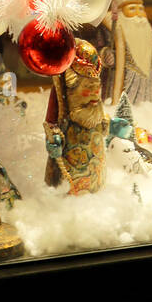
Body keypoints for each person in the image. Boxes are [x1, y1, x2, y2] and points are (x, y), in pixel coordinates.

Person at [43, 40, 108, 194]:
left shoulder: (98, 116)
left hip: (97, 186)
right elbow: (51, 128)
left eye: (97, 87)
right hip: (71, 189)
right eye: (87, 87)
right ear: (71, 92)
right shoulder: (65, 122)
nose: (95, 93)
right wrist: (53, 145)